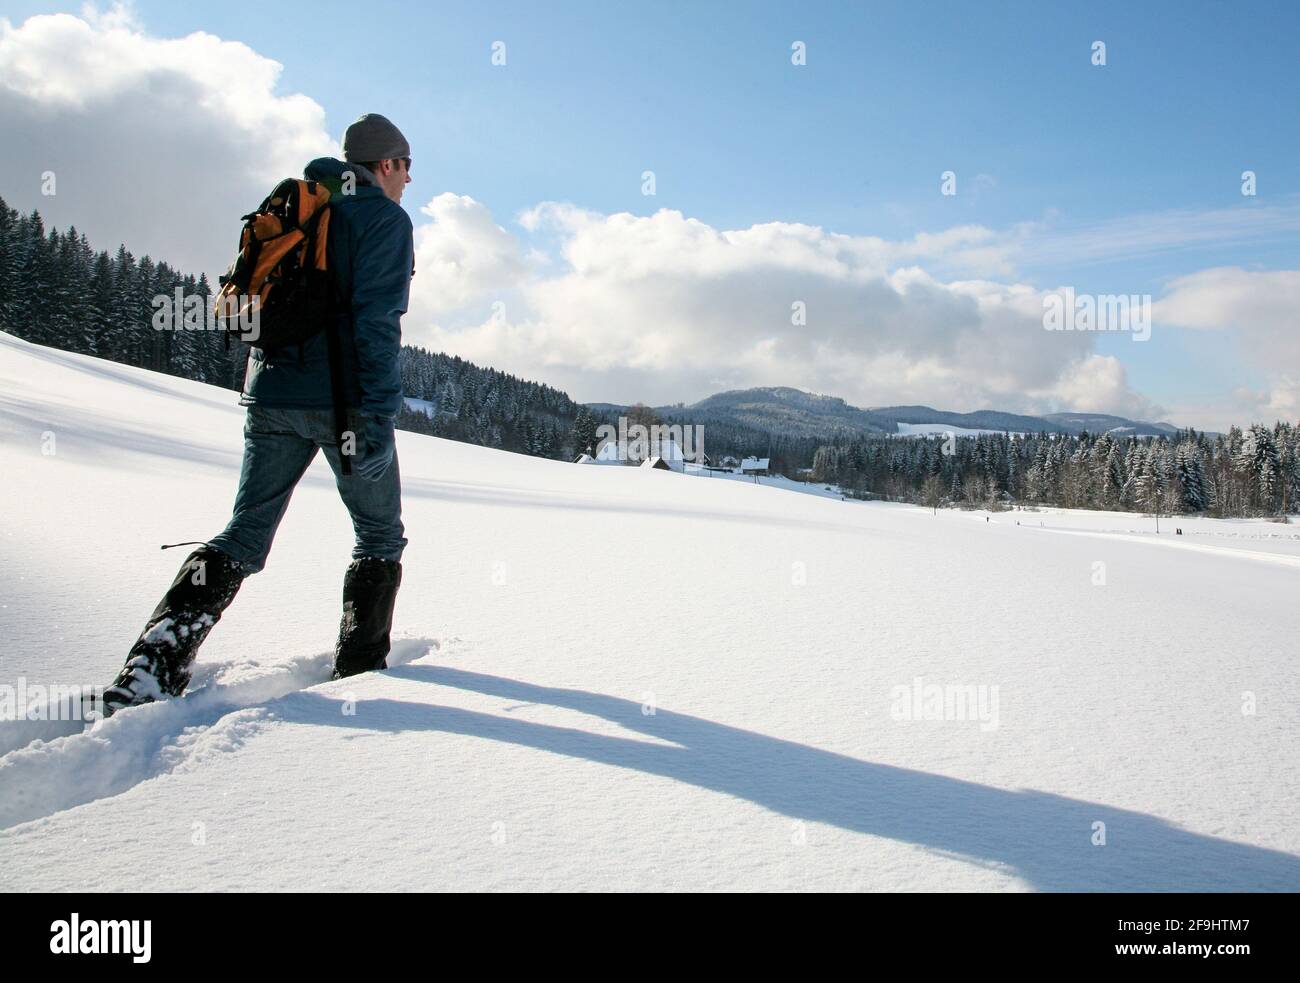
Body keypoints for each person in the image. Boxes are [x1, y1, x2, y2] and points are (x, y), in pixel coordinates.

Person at [98, 113, 416, 716]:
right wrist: (376, 416)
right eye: (406, 166)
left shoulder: (300, 200)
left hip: (270, 395)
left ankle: (151, 667)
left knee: (243, 536)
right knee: (380, 535)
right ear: (385, 165)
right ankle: (361, 677)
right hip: (344, 405)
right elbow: (378, 323)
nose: (408, 181)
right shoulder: (383, 218)